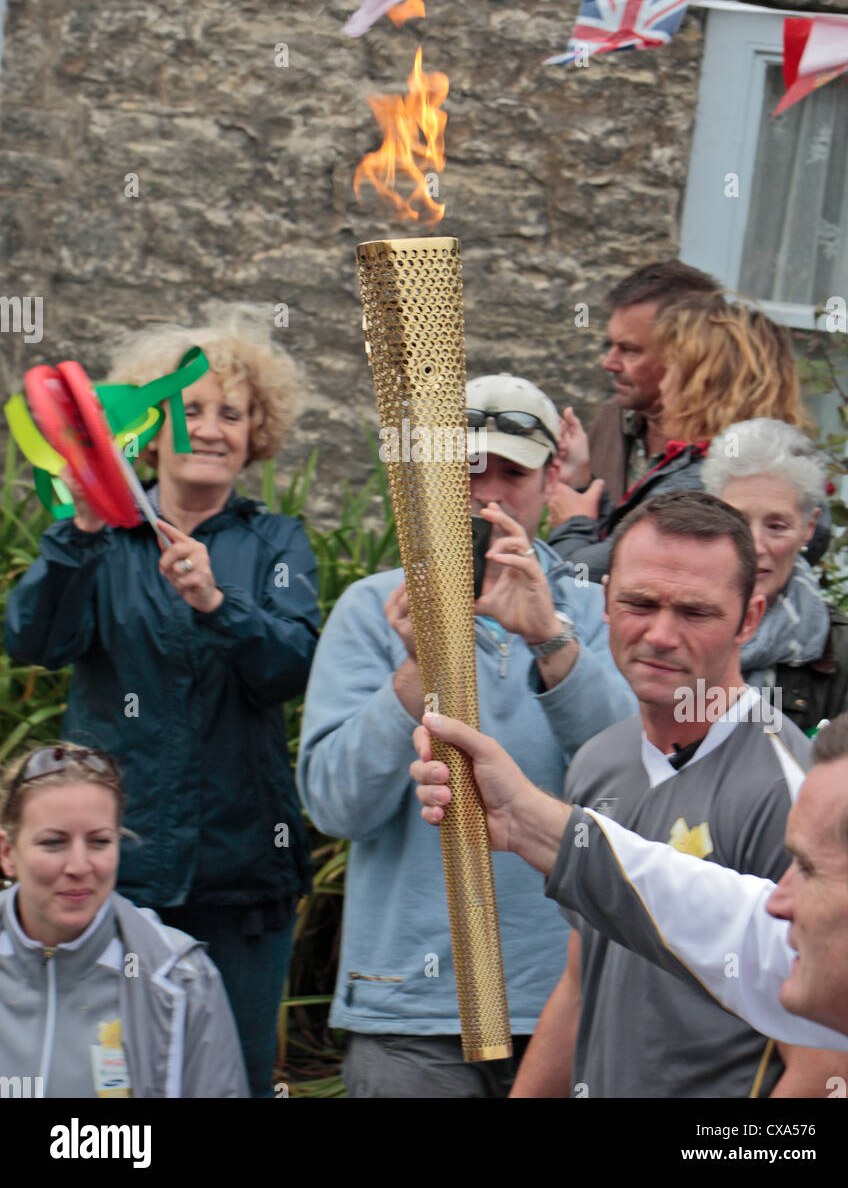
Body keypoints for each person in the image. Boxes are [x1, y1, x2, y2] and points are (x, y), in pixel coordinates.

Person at [413, 491, 847, 1097]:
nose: (661, 634)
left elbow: (826, 1062)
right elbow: (580, 981)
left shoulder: (789, 787)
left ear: (750, 618)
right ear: (607, 601)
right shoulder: (600, 760)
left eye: (695, 612)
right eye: (639, 603)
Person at [4, 305, 319, 1097]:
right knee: (110, 1081)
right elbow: (32, 642)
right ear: (149, 426)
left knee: (232, 1079)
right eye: (188, 410)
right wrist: (76, 533)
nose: (210, 429)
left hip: (243, 875)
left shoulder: (275, 542)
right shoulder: (101, 541)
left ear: (256, 433)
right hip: (118, 873)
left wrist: (220, 605)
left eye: (232, 413)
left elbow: (289, 668)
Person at [298, 372, 636, 1099]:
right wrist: (416, 672)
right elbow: (333, 807)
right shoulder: (372, 609)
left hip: (568, 999)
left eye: (512, 473)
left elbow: (633, 788)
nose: (487, 493)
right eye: (465, 469)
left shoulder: (599, 609)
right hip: (410, 1011)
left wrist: (553, 643)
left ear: (552, 485)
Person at [412, 711, 848, 1074]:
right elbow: (728, 921)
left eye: (807, 869)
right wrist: (524, 819)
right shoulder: (600, 758)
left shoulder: (771, 765)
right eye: (637, 603)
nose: (777, 902)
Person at [0, 744, 249, 1097]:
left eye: (99, 842)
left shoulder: (183, 979)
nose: (79, 866)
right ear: (8, 853)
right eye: (54, 843)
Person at [548, 294, 815, 580]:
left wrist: (573, 522)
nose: (663, 386)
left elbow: (578, 578)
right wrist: (582, 484)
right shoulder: (772, 477)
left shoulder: (702, 482)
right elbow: (625, 537)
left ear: (702, 386)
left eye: (671, 369)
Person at [702, 419, 848, 733]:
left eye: (777, 526)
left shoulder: (847, 653)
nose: (755, 546)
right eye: (736, 520)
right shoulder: (665, 623)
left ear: (809, 527)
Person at [556, 260, 720, 504]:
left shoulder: (730, 449)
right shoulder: (612, 418)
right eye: (610, 346)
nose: (608, 363)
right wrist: (579, 484)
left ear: (686, 354)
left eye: (629, 350)